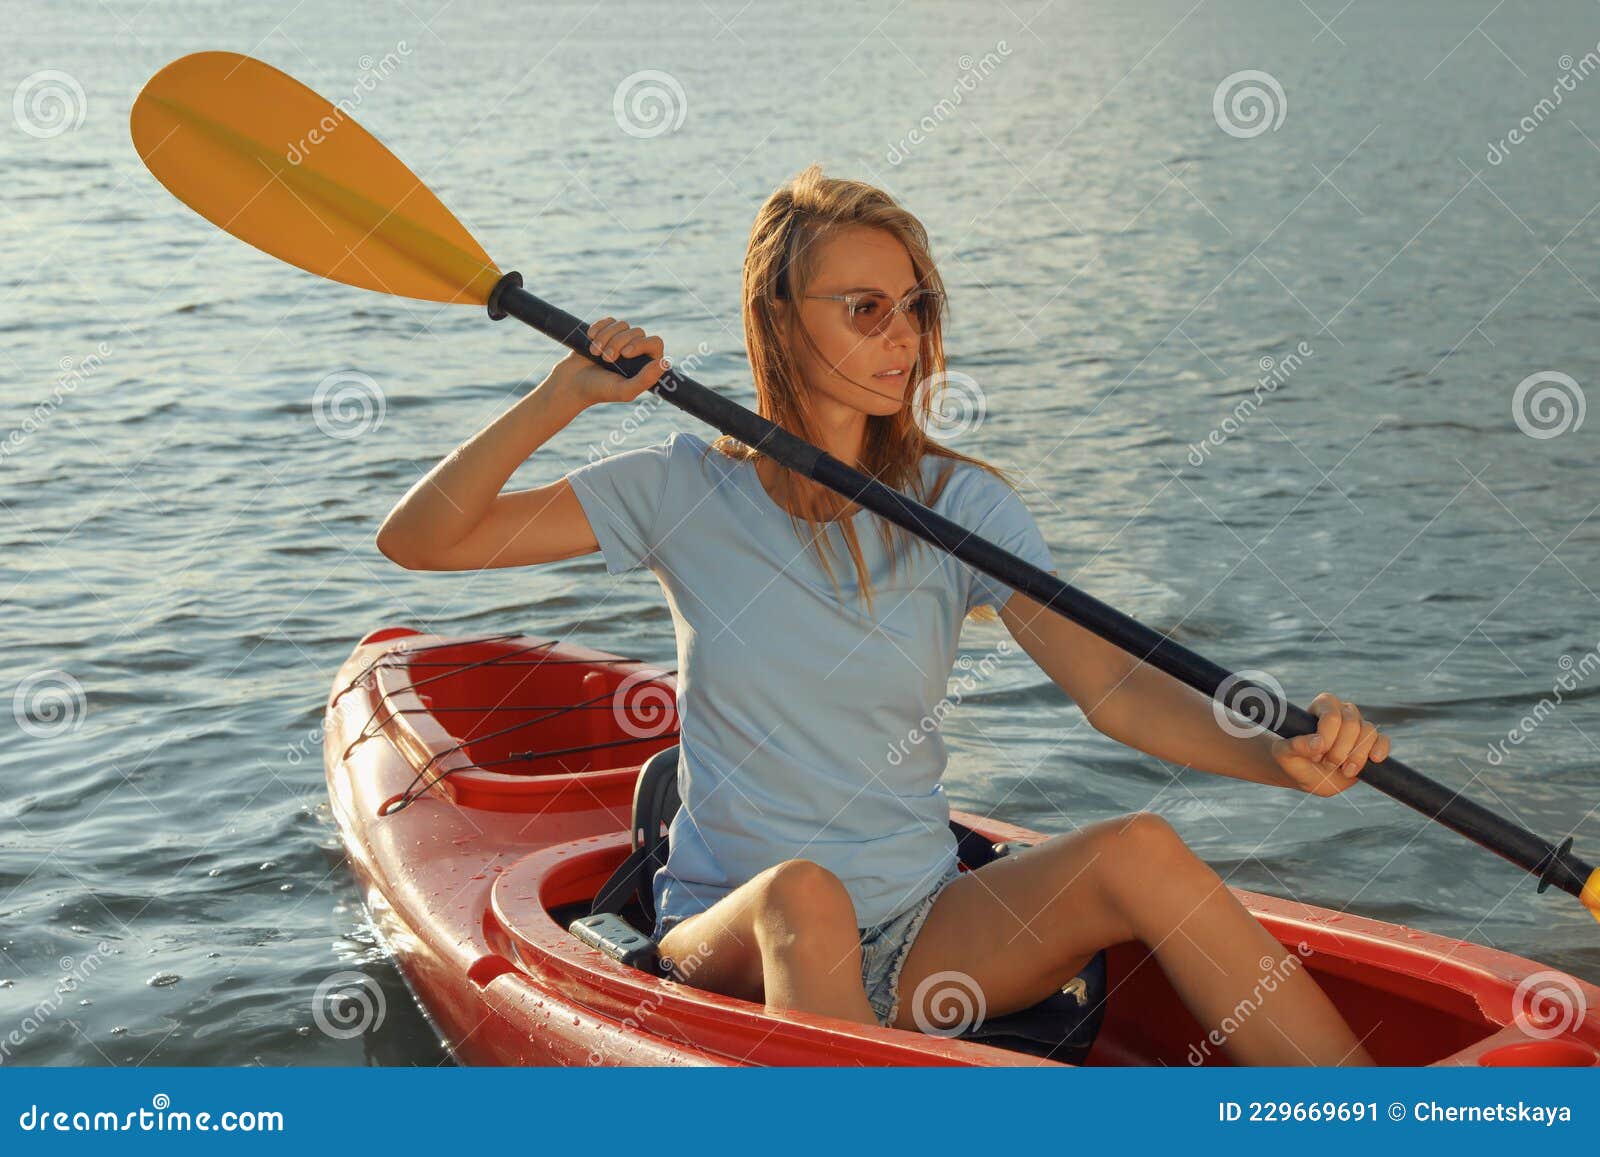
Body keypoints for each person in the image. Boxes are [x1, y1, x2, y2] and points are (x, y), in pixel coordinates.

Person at [376, 164, 1389, 1066]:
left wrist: (1278, 757)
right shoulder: (681, 488)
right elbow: (422, 539)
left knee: (1141, 848)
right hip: (730, 931)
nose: (903, 335)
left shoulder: (959, 505)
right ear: (778, 318)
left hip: (923, 925)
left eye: (914, 305)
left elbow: (1116, 689)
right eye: (865, 308)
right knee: (802, 894)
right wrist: (563, 397)